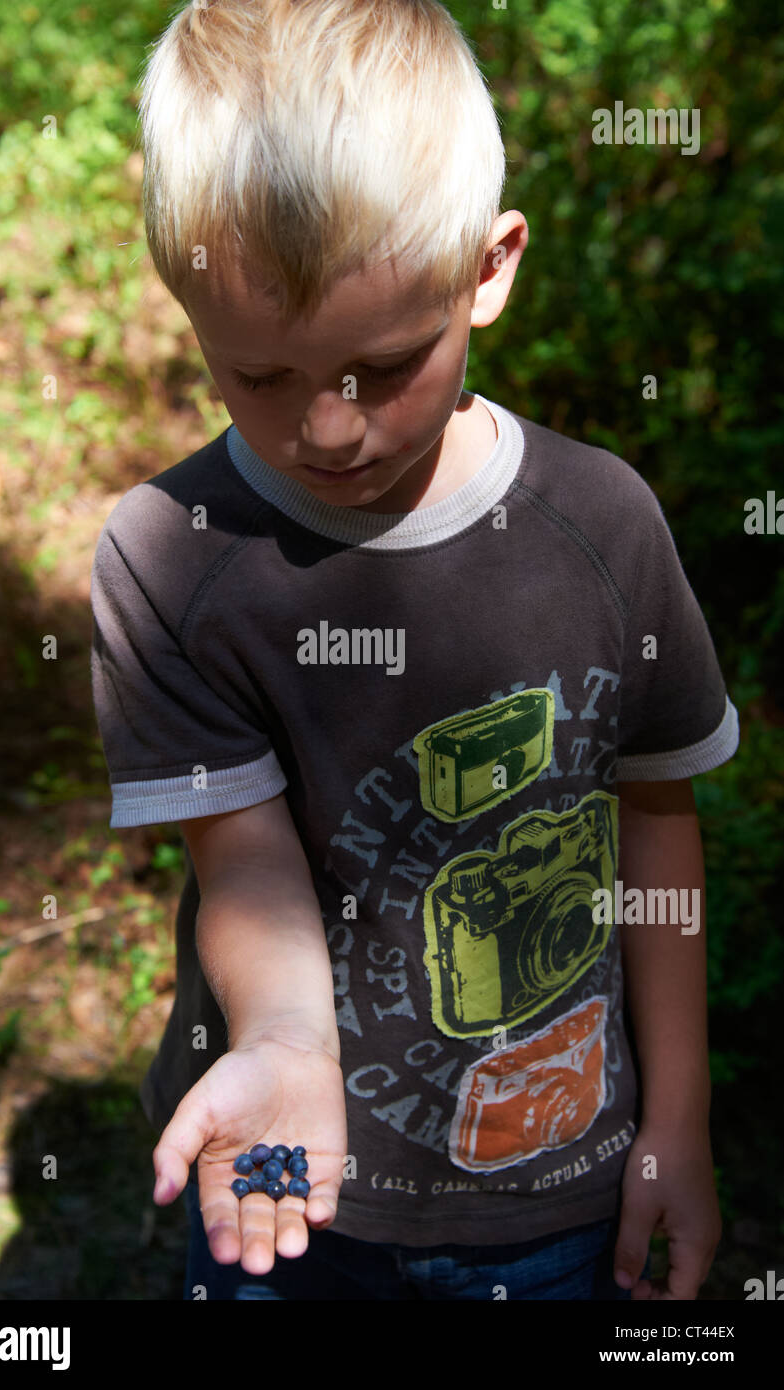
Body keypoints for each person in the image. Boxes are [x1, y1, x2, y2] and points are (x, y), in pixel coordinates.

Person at [90, 0, 739, 1301]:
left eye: (384, 364)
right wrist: (281, 1038)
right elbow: (245, 852)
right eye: (261, 377)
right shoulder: (169, 553)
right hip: (288, 1178)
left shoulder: (602, 525)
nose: (329, 432)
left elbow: (653, 818)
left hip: (557, 1180)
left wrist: (679, 1113)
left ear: (486, 269)